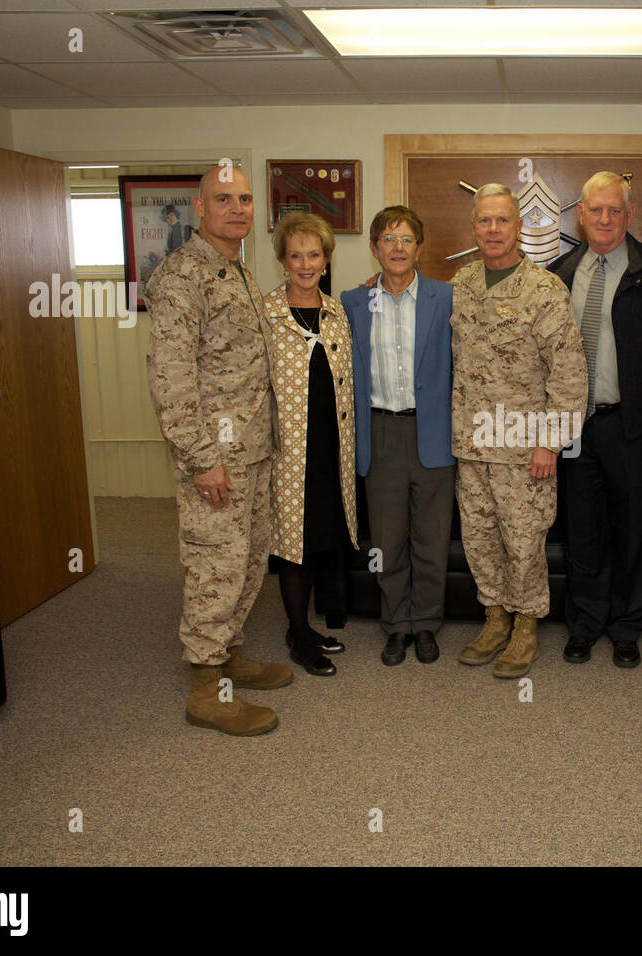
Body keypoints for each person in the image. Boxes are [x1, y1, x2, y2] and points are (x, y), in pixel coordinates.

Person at [146, 164, 289, 737]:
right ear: (199, 208)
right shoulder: (183, 276)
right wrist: (201, 458)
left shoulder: (237, 270)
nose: (237, 208)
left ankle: (226, 653)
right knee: (215, 566)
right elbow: (172, 377)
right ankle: (206, 687)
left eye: (245, 198)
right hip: (216, 458)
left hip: (251, 451)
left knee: (249, 560)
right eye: (223, 199)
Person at [550, 171, 642, 668]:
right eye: (596, 209)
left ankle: (627, 627)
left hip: (633, 426)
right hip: (575, 427)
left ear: (630, 216)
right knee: (582, 533)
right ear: (581, 215)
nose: (605, 219)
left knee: (634, 532)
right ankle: (585, 624)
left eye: (615, 210)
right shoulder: (560, 272)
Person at [453, 183, 587, 679]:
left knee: (525, 540)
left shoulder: (545, 289)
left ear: (519, 225)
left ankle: (526, 624)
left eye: (502, 220)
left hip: (524, 446)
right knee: (480, 538)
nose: (493, 229)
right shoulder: (463, 283)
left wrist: (550, 442)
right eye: (484, 221)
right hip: (472, 445)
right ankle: (494, 618)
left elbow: (569, 373)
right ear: (474, 227)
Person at [342, 206, 455, 666]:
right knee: (387, 543)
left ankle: (426, 624)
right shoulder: (352, 302)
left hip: (433, 432)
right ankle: (396, 626)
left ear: (420, 249)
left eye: (407, 239)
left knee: (431, 541)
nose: (398, 247)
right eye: (388, 239)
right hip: (380, 431)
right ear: (374, 249)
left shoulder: (446, 298)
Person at [263, 212, 358, 679]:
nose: (305, 263)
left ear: (325, 259)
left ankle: (308, 626)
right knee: (291, 544)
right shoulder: (266, 315)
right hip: (287, 452)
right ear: (283, 259)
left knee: (322, 535)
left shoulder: (337, 312)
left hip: (332, 448)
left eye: (313, 255)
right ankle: (298, 632)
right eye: (296, 255)